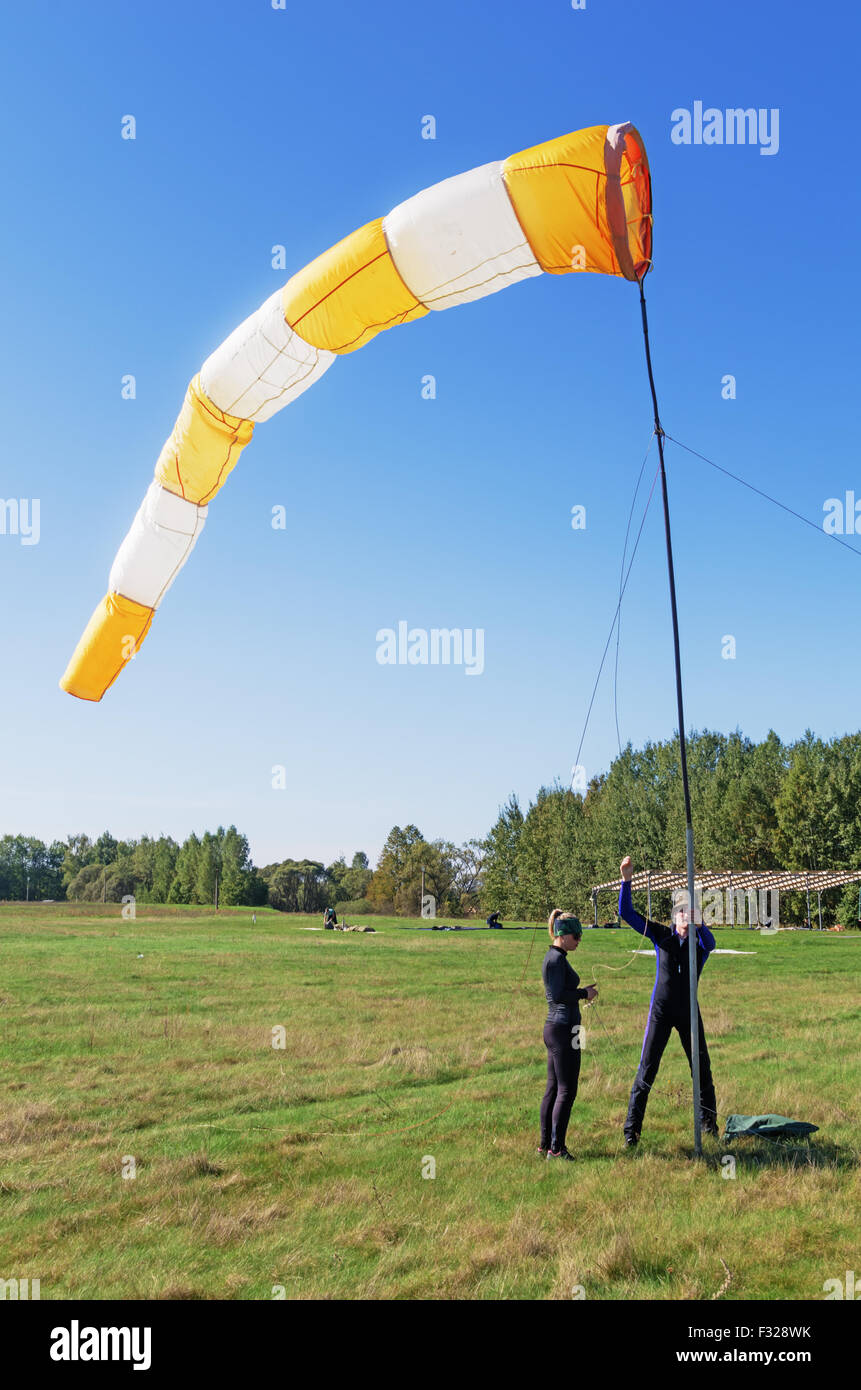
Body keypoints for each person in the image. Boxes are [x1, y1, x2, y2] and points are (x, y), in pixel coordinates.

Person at [618, 856, 718, 1145]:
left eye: (691, 912)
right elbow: (628, 914)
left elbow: (711, 943)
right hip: (660, 1013)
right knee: (647, 1070)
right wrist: (627, 881)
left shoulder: (700, 944)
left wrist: (700, 926)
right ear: (674, 917)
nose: (686, 916)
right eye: (682, 912)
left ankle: (709, 1128)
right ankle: (631, 1133)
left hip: (688, 1013)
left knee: (702, 1071)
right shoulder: (661, 936)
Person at [539, 911, 598, 1160]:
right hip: (563, 1029)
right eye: (576, 935)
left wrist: (583, 993)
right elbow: (557, 996)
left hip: (569, 1028)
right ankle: (556, 1148)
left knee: (554, 1087)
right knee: (566, 1089)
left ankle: (546, 1145)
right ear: (562, 935)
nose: (579, 940)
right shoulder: (554, 959)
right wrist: (584, 994)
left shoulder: (559, 957)